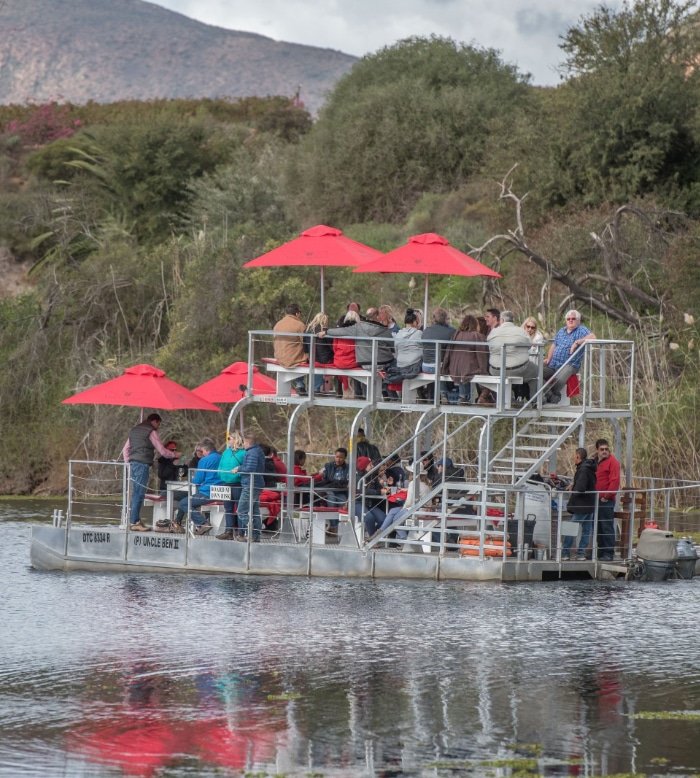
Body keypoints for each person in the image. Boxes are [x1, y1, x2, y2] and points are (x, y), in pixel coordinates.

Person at [122, 413, 179, 531]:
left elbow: (125, 449)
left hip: (133, 464)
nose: (158, 427)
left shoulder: (134, 430)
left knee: (136, 492)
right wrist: (174, 454)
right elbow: (162, 451)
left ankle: (135, 519)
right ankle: (134, 522)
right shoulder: (151, 431)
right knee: (139, 492)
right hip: (142, 464)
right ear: (155, 421)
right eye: (159, 424)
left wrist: (129, 463)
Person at [543, 309, 596, 404]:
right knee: (538, 372)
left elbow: (593, 337)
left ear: (578, 320)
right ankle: (551, 396)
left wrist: (577, 342)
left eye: (573, 318)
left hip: (570, 364)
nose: (570, 320)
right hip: (553, 363)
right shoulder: (561, 331)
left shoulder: (581, 329)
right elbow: (554, 345)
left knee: (558, 379)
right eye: (568, 319)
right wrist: (548, 359)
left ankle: (549, 395)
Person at [487, 310, 539, 399]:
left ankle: (506, 399)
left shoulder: (493, 332)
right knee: (537, 371)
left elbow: (489, 347)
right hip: (516, 369)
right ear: (512, 320)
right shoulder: (521, 331)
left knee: (515, 371)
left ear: (502, 320)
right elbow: (529, 346)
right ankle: (535, 400)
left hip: (495, 370)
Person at [176, 438, 221, 535]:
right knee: (188, 500)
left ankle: (203, 523)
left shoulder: (204, 460)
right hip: (222, 492)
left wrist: (191, 480)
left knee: (184, 503)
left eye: (202, 451)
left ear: (206, 450)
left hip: (208, 493)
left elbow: (198, 480)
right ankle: (182, 524)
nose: (202, 453)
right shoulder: (222, 457)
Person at [441, 313, 488, 404]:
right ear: (475, 324)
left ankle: (449, 395)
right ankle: (464, 396)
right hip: (467, 370)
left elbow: (448, 353)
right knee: (468, 370)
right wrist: (483, 369)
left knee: (464, 370)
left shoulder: (456, 334)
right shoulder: (477, 336)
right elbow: (481, 355)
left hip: (454, 368)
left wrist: (445, 368)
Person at [562, 448, 598, 560]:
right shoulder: (589, 468)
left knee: (571, 528)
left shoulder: (583, 469)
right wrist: (574, 484)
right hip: (589, 504)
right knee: (587, 530)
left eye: (574, 456)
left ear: (578, 456)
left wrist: (572, 490)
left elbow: (581, 488)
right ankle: (581, 553)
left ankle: (565, 553)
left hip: (581, 505)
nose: (573, 458)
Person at [382, 308, 423, 392]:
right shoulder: (419, 334)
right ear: (415, 322)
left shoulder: (398, 334)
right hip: (413, 367)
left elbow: (396, 351)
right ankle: (426, 396)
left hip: (400, 365)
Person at [235, 431, 266, 542]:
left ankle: (252, 533)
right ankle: (256, 535)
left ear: (247, 442)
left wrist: (238, 469)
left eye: (243, 442)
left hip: (251, 485)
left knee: (241, 511)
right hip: (255, 484)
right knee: (254, 511)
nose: (242, 444)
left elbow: (250, 468)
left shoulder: (252, 452)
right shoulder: (257, 451)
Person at [216, 431, 246, 540]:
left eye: (230, 438)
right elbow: (221, 464)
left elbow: (245, 466)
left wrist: (237, 474)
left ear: (236, 439)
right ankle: (228, 531)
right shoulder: (226, 452)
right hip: (226, 483)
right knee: (228, 508)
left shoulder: (243, 453)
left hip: (237, 483)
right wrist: (220, 473)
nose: (228, 440)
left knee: (239, 508)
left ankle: (240, 533)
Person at [421, 307, 456, 401]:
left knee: (438, 370)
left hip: (426, 366)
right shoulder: (451, 332)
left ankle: (433, 397)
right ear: (446, 319)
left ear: (433, 318)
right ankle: (444, 394)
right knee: (443, 368)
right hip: (440, 367)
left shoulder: (426, 331)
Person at [273, 303, 307, 396]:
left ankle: (300, 384)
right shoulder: (300, 325)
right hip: (293, 359)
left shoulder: (277, 324)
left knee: (294, 352)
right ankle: (301, 385)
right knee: (309, 357)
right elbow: (306, 344)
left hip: (279, 357)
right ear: (297, 314)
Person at [595, 438, 620, 561]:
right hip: (595, 500)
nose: (604, 451)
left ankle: (609, 553)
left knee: (606, 526)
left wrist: (607, 496)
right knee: (598, 526)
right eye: (602, 449)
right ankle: (600, 551)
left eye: (606, 449)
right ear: (597, 450)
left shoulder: (613, 462)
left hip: (606, 500)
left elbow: (615, 481)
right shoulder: (595, 461)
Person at [314, 447, 350, 534]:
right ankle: (334, 526)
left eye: (341, 457)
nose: (338, 459)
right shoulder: (328, 466)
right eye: (337, 457)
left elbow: (347, 481)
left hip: (341, 491)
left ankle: (339, 526)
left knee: (343, 502)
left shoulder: (348, 468)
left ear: (345, 458)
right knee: (332, 501)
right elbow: (326, 479)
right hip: (329, 489)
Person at [332, 309, 362, 398]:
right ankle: (358, 394)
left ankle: (342, 392)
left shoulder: (339, 331)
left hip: (339, 362)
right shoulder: (359, 332)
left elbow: (334, 347)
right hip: (353, 362)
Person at [305, 312, 334, 393]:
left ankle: (316, 388)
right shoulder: (325, 331)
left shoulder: (307, 330)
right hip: (325, 359)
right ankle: (330, 388)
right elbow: (331, 346)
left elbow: (305, 347)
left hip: (312, 358)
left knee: (315, 363)